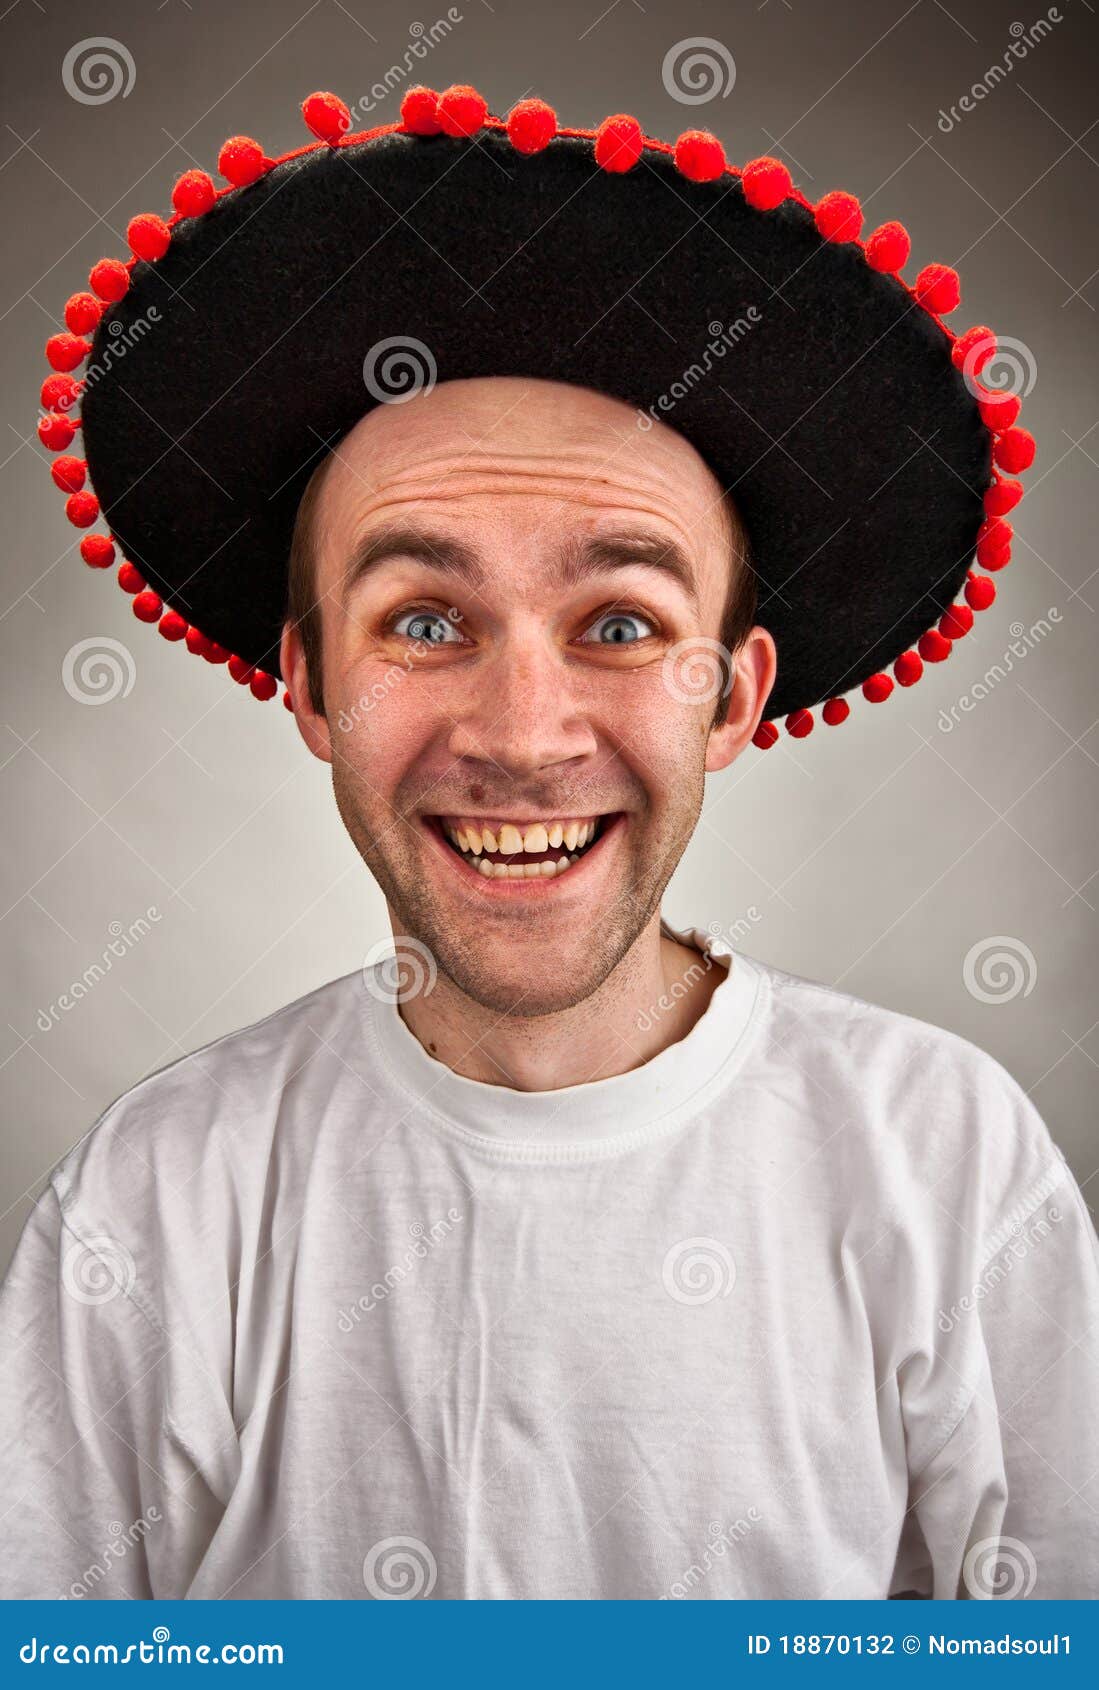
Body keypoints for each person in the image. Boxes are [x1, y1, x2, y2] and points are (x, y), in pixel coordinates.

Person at [5, 82, 1095, 1601]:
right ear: (311, 682)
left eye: (625, 622)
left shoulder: (947, 1160)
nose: (524, 734)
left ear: (730, 693)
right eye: (427, 620)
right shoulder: (155, 1195)